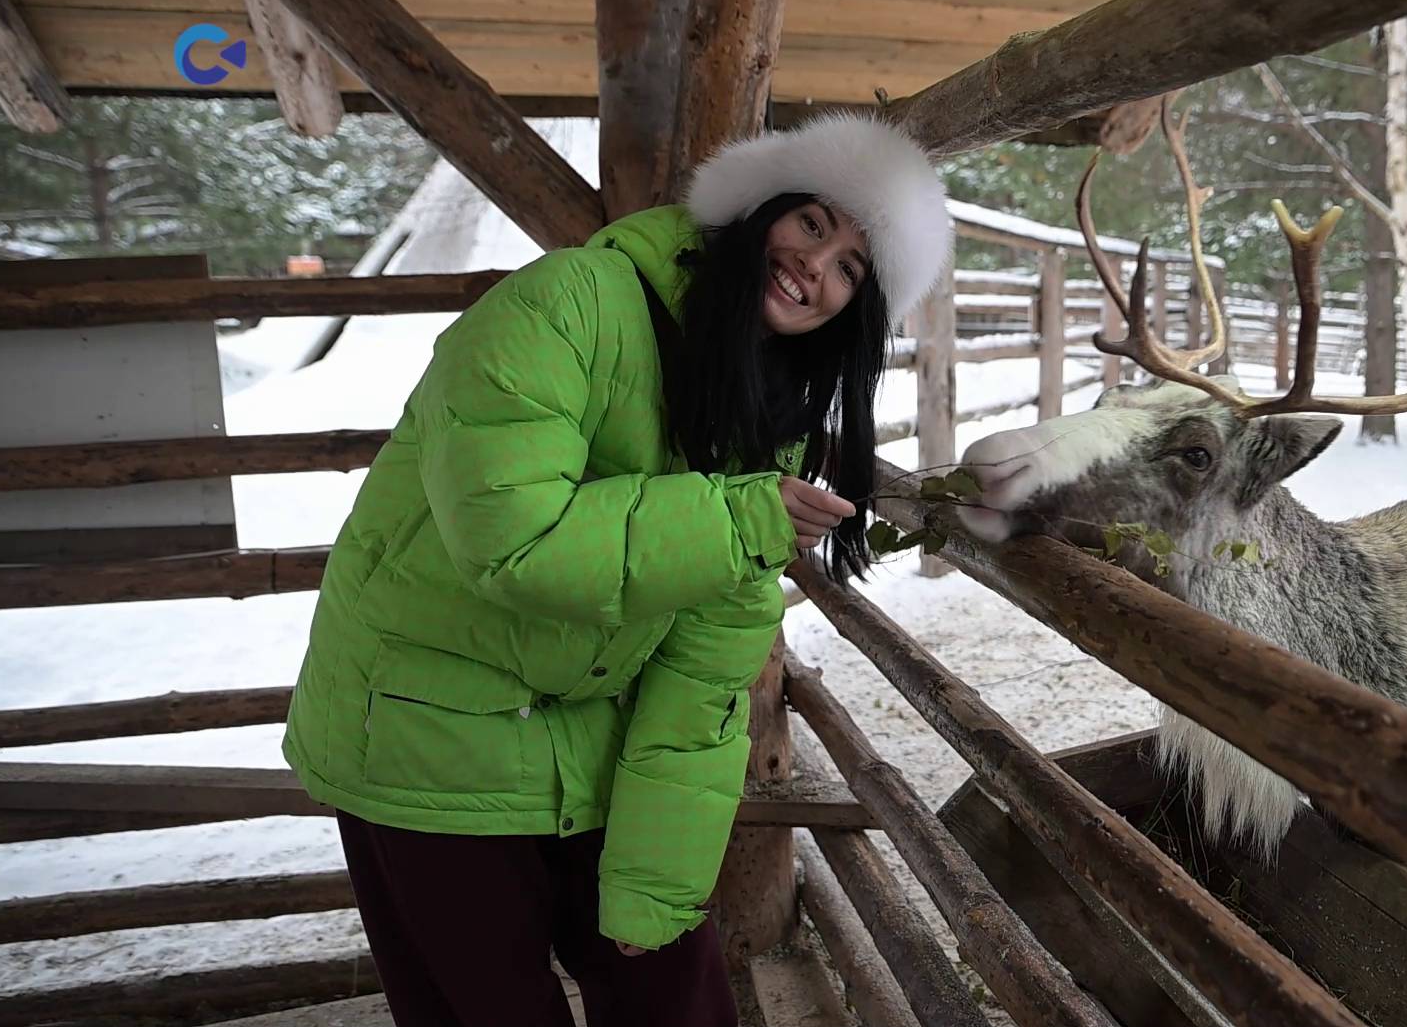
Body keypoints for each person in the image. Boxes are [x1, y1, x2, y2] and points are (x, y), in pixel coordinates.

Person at [281, 112, 953, 1027]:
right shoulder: (563, 305)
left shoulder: (769, 402)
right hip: (423, 730)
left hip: (591, 726)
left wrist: (653, 888)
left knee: (673, 991)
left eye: (851, 270)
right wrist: (733, 515)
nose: (816, 266)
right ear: (758, 210)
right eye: (813, 224)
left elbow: (711, 648)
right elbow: (516, 542)